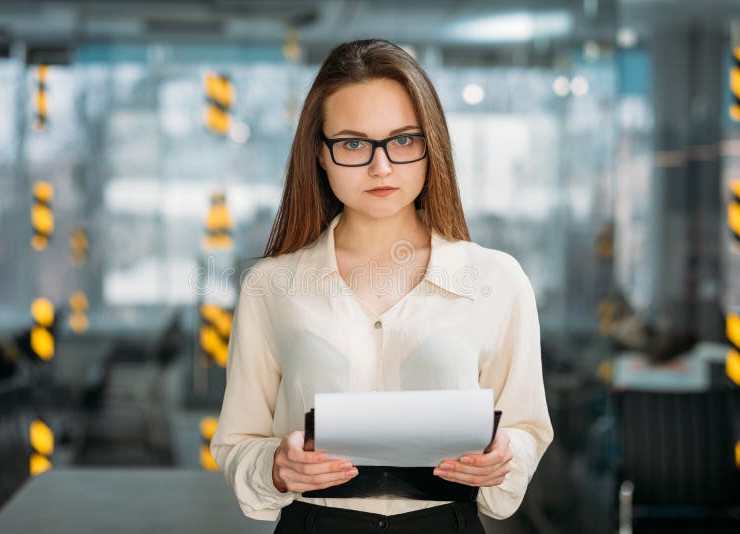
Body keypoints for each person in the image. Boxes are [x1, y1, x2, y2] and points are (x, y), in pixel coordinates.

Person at [211, 38, 553, 534]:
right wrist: (275, 468)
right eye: (353, 143)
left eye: (403, 140)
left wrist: (505, 457)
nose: (382, 167)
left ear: (430, 144)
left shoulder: (497, 281)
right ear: (320, 155)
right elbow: (237, 440)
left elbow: (525, 428)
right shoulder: (271, 286)